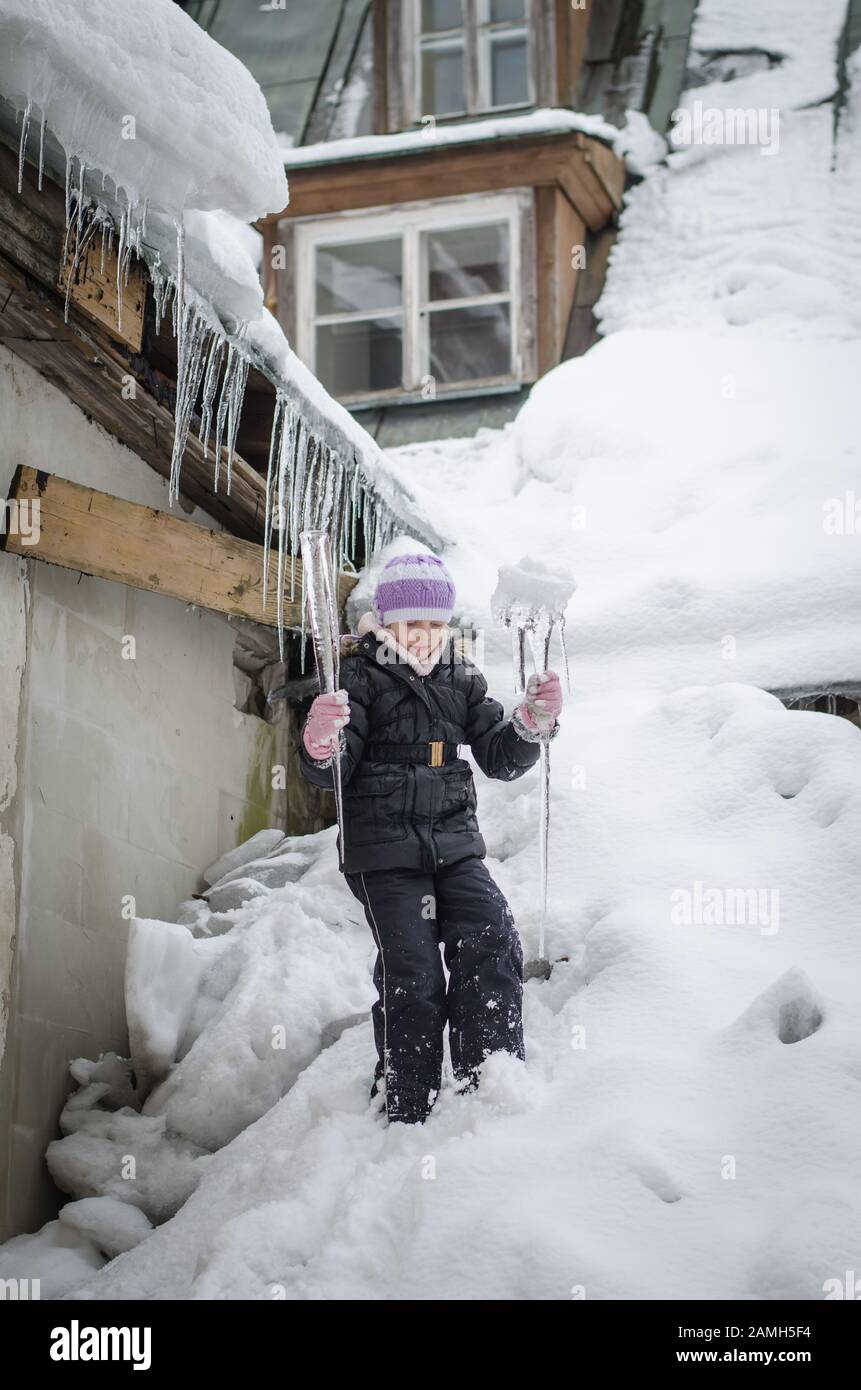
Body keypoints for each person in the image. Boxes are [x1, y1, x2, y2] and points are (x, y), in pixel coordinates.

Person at [299, 551, 563, 1125]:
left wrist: (528, 727)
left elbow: (498, 755)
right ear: (387, 623)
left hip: (454, 848)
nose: (423, 637)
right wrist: (321, 744)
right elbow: (333, 773)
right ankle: (406, 1097)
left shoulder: (462, 677)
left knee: (490, 934)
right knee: (412, 971)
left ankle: (489, 1078)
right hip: (385, 856)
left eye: (435, 624)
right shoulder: (359, 678)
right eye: (411, 624)